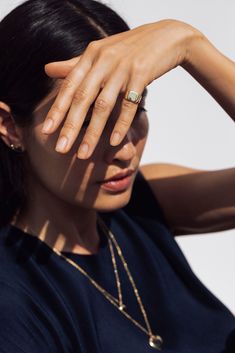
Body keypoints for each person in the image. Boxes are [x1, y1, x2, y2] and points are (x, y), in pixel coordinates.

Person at [0, 0, 234, 352]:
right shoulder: (13, 305)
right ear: (10, 127)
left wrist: (190, 45)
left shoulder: (143, 202)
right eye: (85, 120)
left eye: (133, 108)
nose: (124, 149)